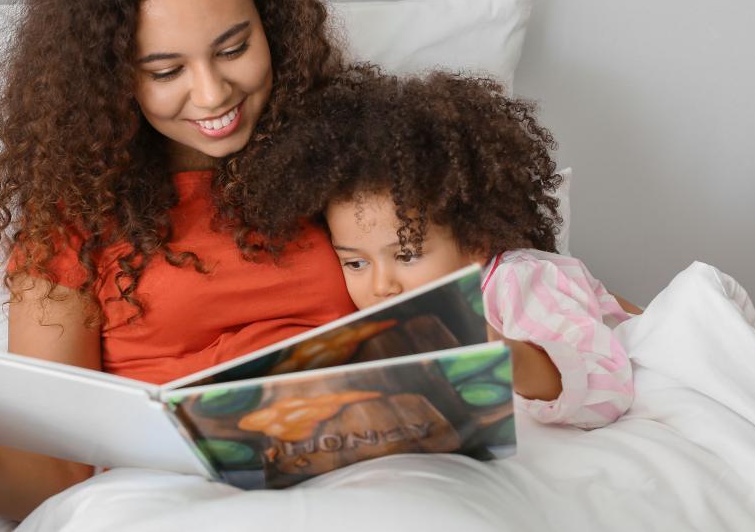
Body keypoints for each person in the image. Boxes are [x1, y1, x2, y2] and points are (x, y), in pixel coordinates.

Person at [0, 0, 356, 521]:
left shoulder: (351, 160)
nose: (212, 92)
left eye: (232, 49)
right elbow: (48, 479)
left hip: (361, 467)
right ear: (113, 78)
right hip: (171, 498)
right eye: (166, 70)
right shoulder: (71, 225)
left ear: (273, 26)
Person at [234, 66, 635, 428]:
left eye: (406, 255)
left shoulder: (520, 280)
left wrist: (505, 356)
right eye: (355, 263)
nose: (381, 285)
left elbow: (609, 391)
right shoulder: (386, 322)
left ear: (475, 242)